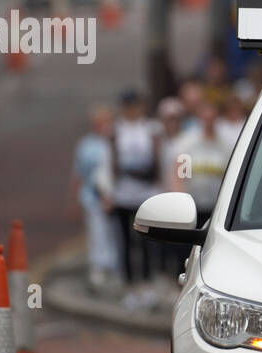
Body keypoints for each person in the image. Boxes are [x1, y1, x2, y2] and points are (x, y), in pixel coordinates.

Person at [108, 90, 162, 293]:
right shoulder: (116, 130)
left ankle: (147, 279)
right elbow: (109, 161)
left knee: (146, 239)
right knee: (125, 239)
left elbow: (160, 157)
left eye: (134, 105)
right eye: (127, 106)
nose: (131, 110)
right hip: (123, 192)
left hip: (145, 191)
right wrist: (109, 192)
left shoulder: (150, 128)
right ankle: (129, 280)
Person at [68, 105, 120, 292]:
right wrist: (73, 199)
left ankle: (114, 267)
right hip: (92, 198)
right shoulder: (86, 145)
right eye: (99, 123)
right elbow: (78, 173)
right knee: (97, 233)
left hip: (116, 198)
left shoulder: (115, 142)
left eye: (106, 122)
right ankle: (98, 268)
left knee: (114, 233)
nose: (103, 126)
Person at [167, 96, 236, 225]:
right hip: (193, 210)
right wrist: (183, 206)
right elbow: (179, 177)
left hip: (217, 210)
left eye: (212, 117)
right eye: (206, 117)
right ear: (199, 117)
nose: (209, 121)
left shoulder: (227, 145)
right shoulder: (186, 144)